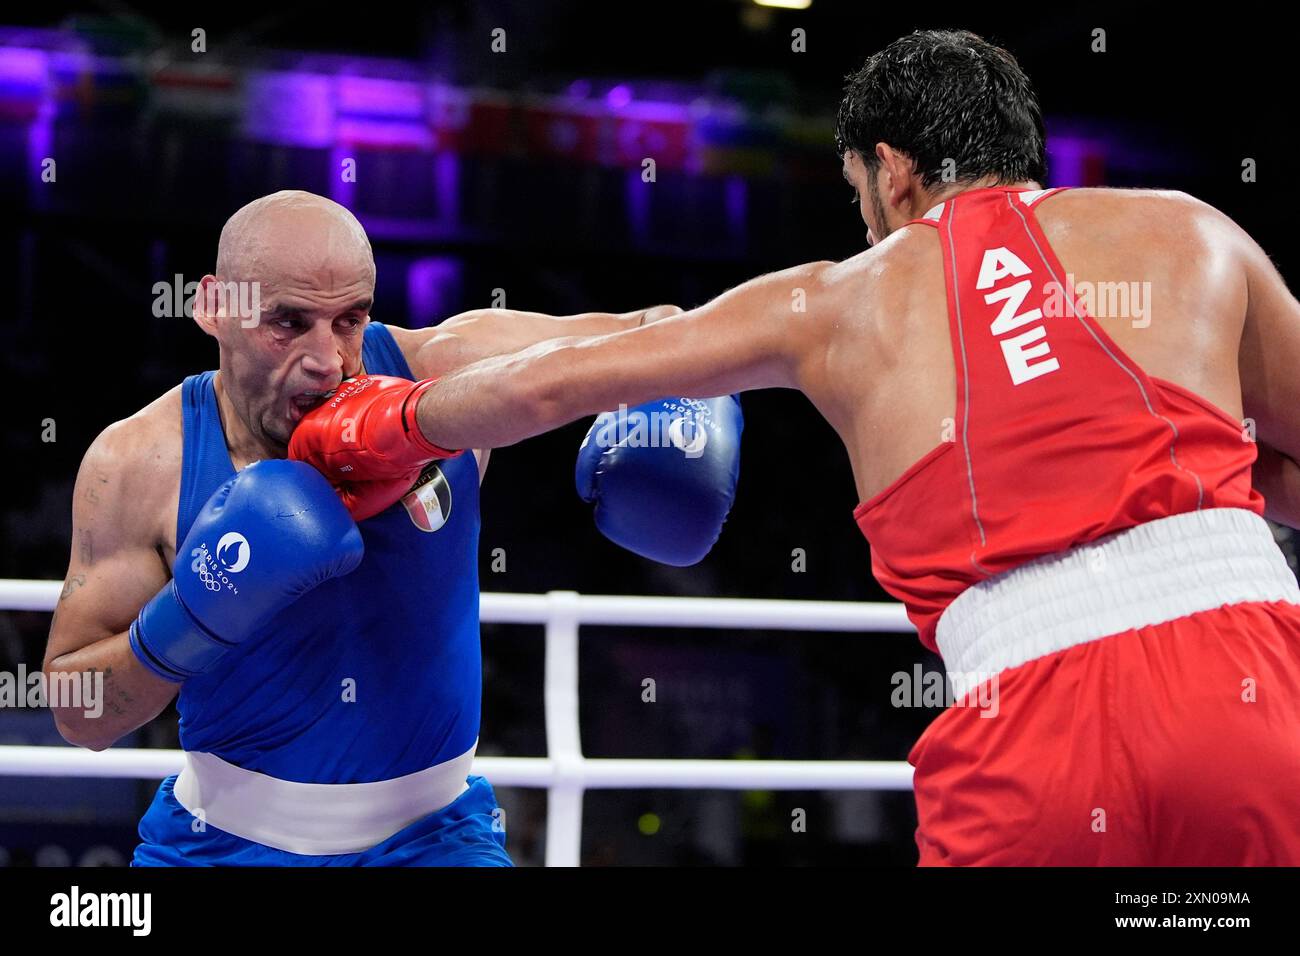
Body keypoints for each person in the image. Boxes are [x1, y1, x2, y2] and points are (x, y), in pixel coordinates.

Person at [297, 30, 1300, 865]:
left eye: (858, 193)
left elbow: (552, 381)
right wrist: (1208, 468)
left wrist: (382, 424)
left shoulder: (830, 298)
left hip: (1030, 718)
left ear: (892, 171)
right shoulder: (1192, 233)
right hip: (1251, 681)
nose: (865, 225)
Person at [42, 189, 741, 866]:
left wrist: (673, 417)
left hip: (435, 843)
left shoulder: (440, 377)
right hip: (218, 845)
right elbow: (80, 713)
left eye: (350, 321)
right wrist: (195, 614)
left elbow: (660, 330)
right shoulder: (142, 463)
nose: (327, 361)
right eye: (289, 322)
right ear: (214, 307)